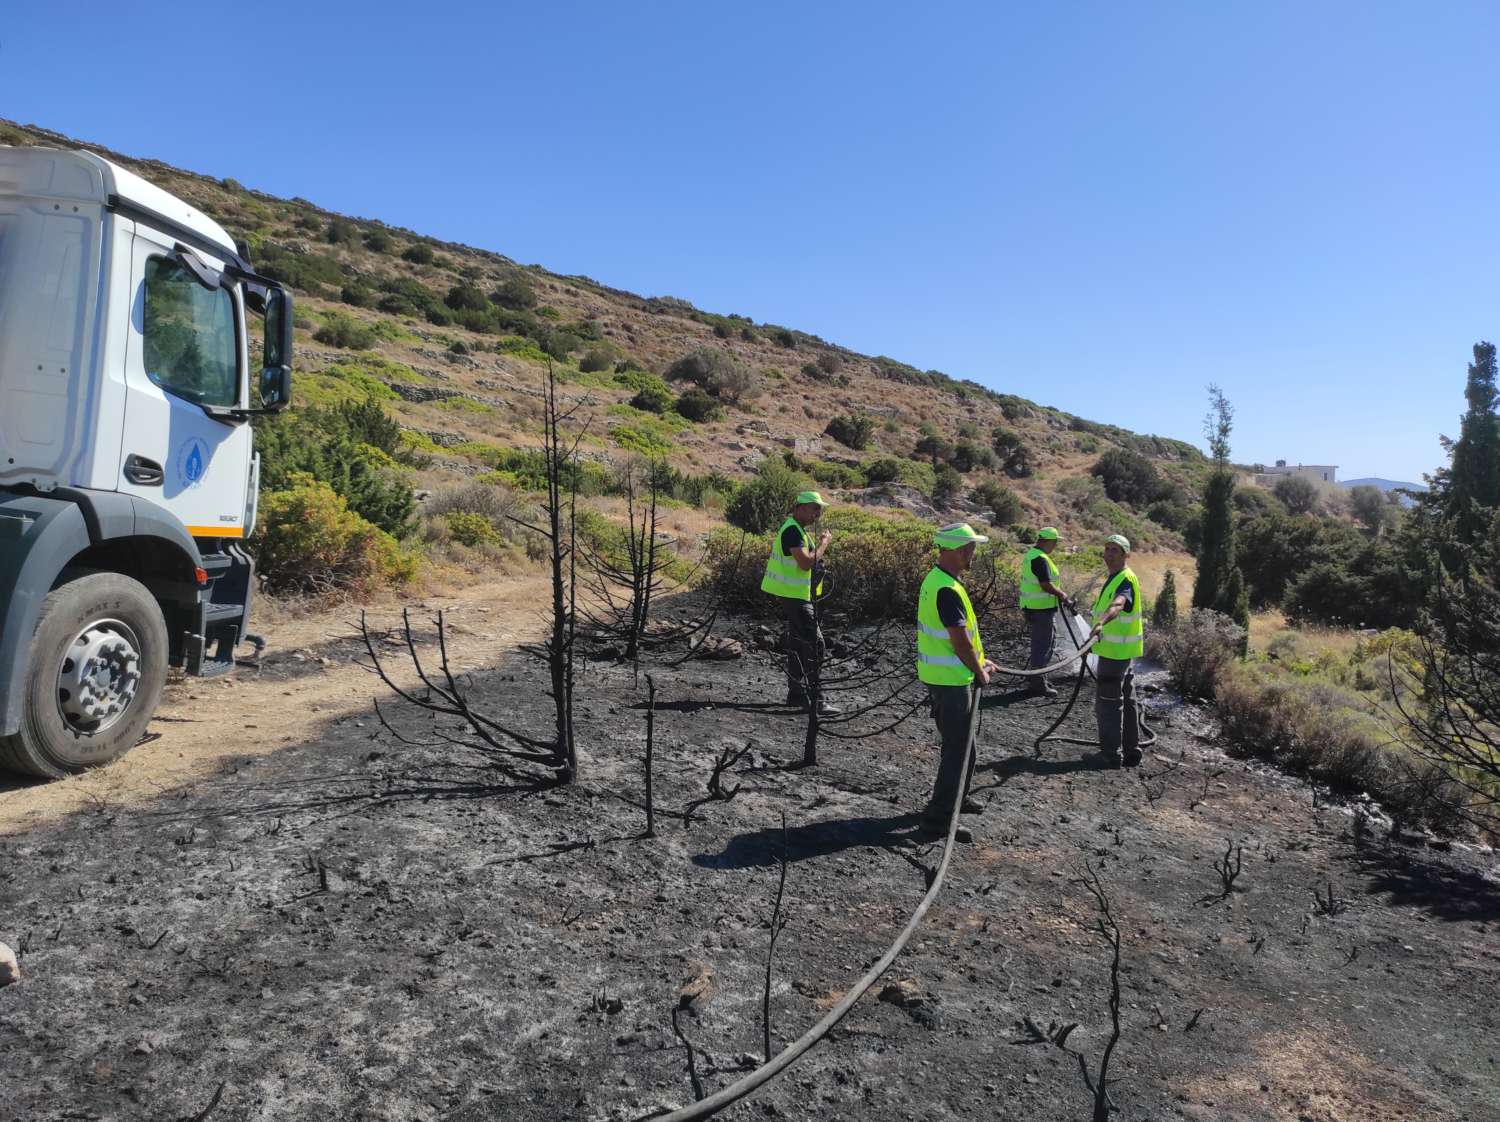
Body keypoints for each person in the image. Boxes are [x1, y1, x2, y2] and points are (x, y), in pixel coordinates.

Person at [916, 523, 999, 836]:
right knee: (958, 750)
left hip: (945, 675)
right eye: (971, 547)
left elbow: (960, 638)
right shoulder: (947, 588)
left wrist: (979, 661)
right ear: (960, 549)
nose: (973, 552)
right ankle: (938, 819)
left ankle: (957, 800)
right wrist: (979, 671)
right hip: (950, 680)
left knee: (965, 747)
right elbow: (958, 638)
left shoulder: (939, 581)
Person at [760, 490, 840, 715]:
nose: (818, 513)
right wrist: (824, 544)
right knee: (816, 644)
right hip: (794, 596)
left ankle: (796, 695)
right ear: (801, 507)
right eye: (815, 508)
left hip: (794, 594)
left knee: (797, 643)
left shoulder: (797, 530)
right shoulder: (793, 532)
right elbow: (805, 563)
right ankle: (817, 700)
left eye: (820, 509)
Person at [1087, 534, 1144, 767]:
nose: (1109, 554)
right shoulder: (1117, 576)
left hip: (1114, 653)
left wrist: (1101, 622)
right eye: (1107, 549)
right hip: (1123, 652)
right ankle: (1131, 750)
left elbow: (1118, 604)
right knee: (1127, 699)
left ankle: (1110, 754)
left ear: (1126, 555)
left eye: (1115, 551)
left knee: (1108, 701)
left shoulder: (1125, 580)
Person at [1018, 527, 1075, 697]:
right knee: (1043, 646)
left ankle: (1037, 678)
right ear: (1048, 541)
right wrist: (1063, 595)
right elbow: (1045, 584)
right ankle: (1038, 683)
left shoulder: (1032, 555)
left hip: (1036, 607)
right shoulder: (1039, 558)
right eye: (1055, 541)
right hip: (1040, 609)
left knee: (1040, 644)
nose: (1056, 545)